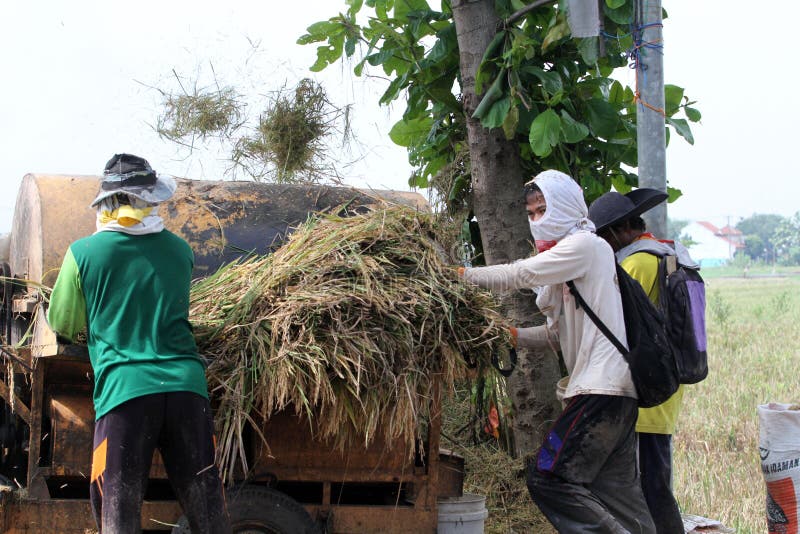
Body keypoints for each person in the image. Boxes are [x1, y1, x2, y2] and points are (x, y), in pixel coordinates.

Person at [459, 170, 655, 533]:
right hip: (616, 394)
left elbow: (519, 274)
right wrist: (512, 335)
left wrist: (457, 275)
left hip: (600, 390)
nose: (536, 221)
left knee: (547, 479)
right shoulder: (573, 264)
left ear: (565, 205)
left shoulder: (585, 245)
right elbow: (555, 336)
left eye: (543, 210)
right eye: (531, 214)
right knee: (620, 497)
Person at [47, 154, 230, 534]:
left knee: (118, 510)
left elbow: (63, 323)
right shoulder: (181, 251)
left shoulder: (84, 253)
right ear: (150, 200)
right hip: (186, 391)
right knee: (208, 512)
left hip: (125, 395)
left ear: (107, 203)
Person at [589, 188, 698, 534]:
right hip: (664, 384)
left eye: (604, 237)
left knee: (650, 484)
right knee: (653, 478)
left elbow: (611, 318)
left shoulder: (636, 262)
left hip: (645, 391)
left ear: (619, 231)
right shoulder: (665, 253)